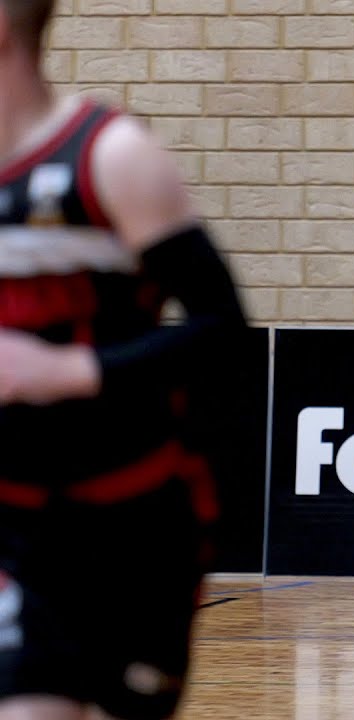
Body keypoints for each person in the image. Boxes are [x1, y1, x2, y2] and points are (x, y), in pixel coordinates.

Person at [0, 1, 247, 717]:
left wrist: (66, 373)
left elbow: (222, 330)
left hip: (134, 527)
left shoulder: (108, 156)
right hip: (20, 526)